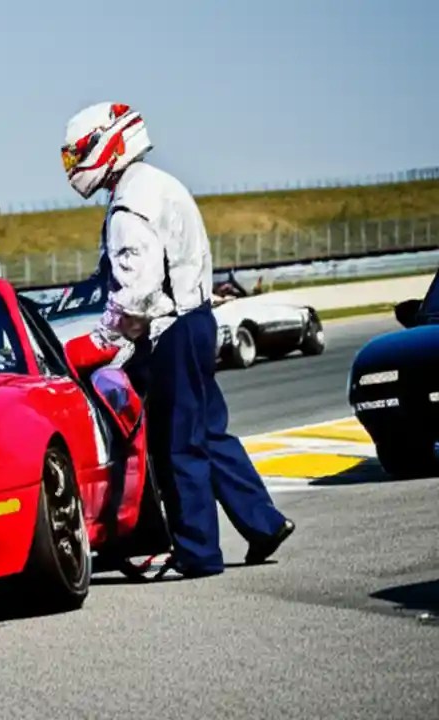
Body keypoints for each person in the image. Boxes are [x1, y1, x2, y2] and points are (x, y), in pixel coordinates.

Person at [58, 101, 295, 578]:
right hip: (197, 320)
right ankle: (264, 523)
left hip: (169, 330)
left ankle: (198, 553)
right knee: (209, 431)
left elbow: (137, 290)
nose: (73, 167)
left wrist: (102, 338)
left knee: (177, 445)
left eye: (76, 155)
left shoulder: (129, 205)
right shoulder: (159, 184)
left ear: (108, 143)